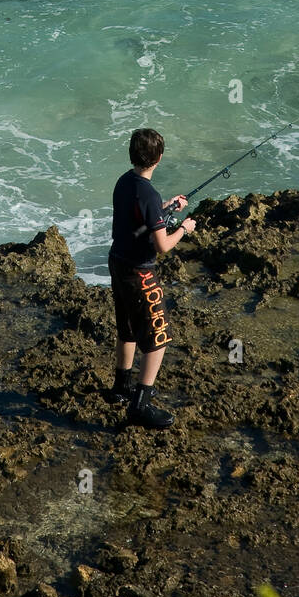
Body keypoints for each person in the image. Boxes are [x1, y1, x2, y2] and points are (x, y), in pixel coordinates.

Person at [107, 128, 196, 429]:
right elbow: (162, 245)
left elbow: (140, 220)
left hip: (117, 262)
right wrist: (184, 228)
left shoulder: (124, 182)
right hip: (140, 272)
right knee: (158, 335)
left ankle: (121, 387)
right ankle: (140, 404)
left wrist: (167, 208)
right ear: (159, 157)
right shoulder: (149, 193)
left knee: (127, 327)